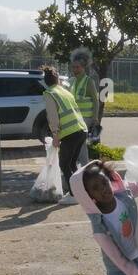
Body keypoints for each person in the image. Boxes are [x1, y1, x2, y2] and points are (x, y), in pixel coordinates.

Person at [43, 66, 89, 206]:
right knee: (72, 164)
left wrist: (56, 135)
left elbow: (53, 116)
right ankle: (81, 192)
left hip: (70, 132)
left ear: (45, 82)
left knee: (64, 164)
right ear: (57, 79)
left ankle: (75, 194)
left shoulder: (49, 93)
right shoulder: (64, 91)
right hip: (81, 129)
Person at [69, 48, 100, 142]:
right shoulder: (72, 81)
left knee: (81, 146)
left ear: (83, 67)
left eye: (77, 67)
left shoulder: (89, 82)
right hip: (75, 119)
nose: (75, 70)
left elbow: (95, 100)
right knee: (78, 146)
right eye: (73, 67)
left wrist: (95, 118)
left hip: (86, 120)